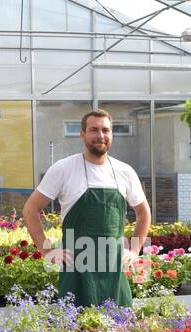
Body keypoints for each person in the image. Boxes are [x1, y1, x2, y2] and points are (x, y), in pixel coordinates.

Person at [23, 109, 151, 308]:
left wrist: (134, 251)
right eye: (94, 130)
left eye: (105, 130)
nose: (100, 135)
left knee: (121, 329)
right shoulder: (64, 168)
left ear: (111, 135)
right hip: (77, 269)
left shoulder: (125, 171)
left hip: (114, 267)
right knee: (75, 329)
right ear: (82, 134)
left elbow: (144, 214)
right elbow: (30, 209)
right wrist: (47, 250)